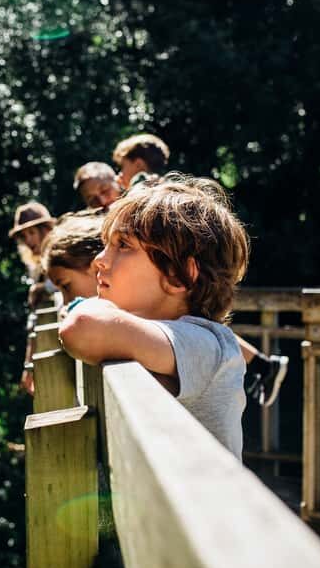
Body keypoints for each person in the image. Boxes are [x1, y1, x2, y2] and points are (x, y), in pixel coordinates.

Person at [58, 174, 249, 456]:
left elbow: (83, 327)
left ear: (178, 275)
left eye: (123, 245)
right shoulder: (157, 336)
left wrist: (81, 307)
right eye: (105, 244)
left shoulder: (208, 346)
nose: (99, 260)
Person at [110, 134, 287, 407]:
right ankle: (263, 365)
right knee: (207, 327)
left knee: (201, 330)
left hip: (180, 295)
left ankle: (264, 365)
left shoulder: (143, 191)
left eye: (123, 166)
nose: (120, 174)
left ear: (138, 162)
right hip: (191, 287)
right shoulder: (170, 187)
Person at [9, 202, 56, 395]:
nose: (28, 240)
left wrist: (43, 288)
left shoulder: (59, 252)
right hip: (47, 340)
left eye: (32, 233)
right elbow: (34, 319)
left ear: (46, 230)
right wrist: (28, 362)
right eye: (23, 236)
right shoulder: (35, 265)